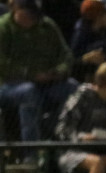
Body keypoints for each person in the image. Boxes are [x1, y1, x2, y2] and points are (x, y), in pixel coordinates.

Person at [0, 0, 77, 145]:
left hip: (48, 82)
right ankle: (31, 153)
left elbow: (66, 55)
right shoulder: (3, 28)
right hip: (10, 85)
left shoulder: (48, 26)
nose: (28, 21)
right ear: (16, 11)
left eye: (31, 17)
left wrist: (58, 72)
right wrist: (31, 75)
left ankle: (60, 140)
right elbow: (2, 64)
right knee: (29, 92)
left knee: (74, 89)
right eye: (24, 16)